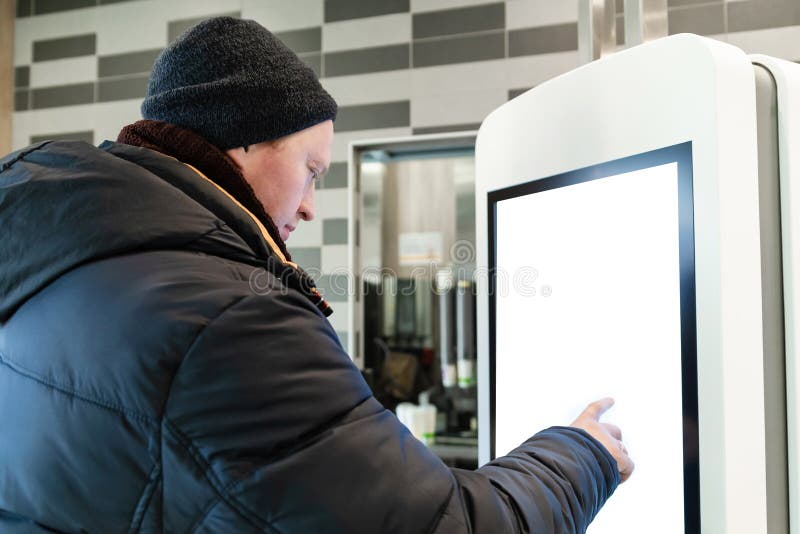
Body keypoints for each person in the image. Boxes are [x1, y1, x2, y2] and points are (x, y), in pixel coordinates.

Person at [0, 16, 633, 533]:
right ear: (244, 141)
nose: (309, 207)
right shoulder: (233, 320)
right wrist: (581, 453)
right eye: (311, 171)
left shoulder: (58, 260)